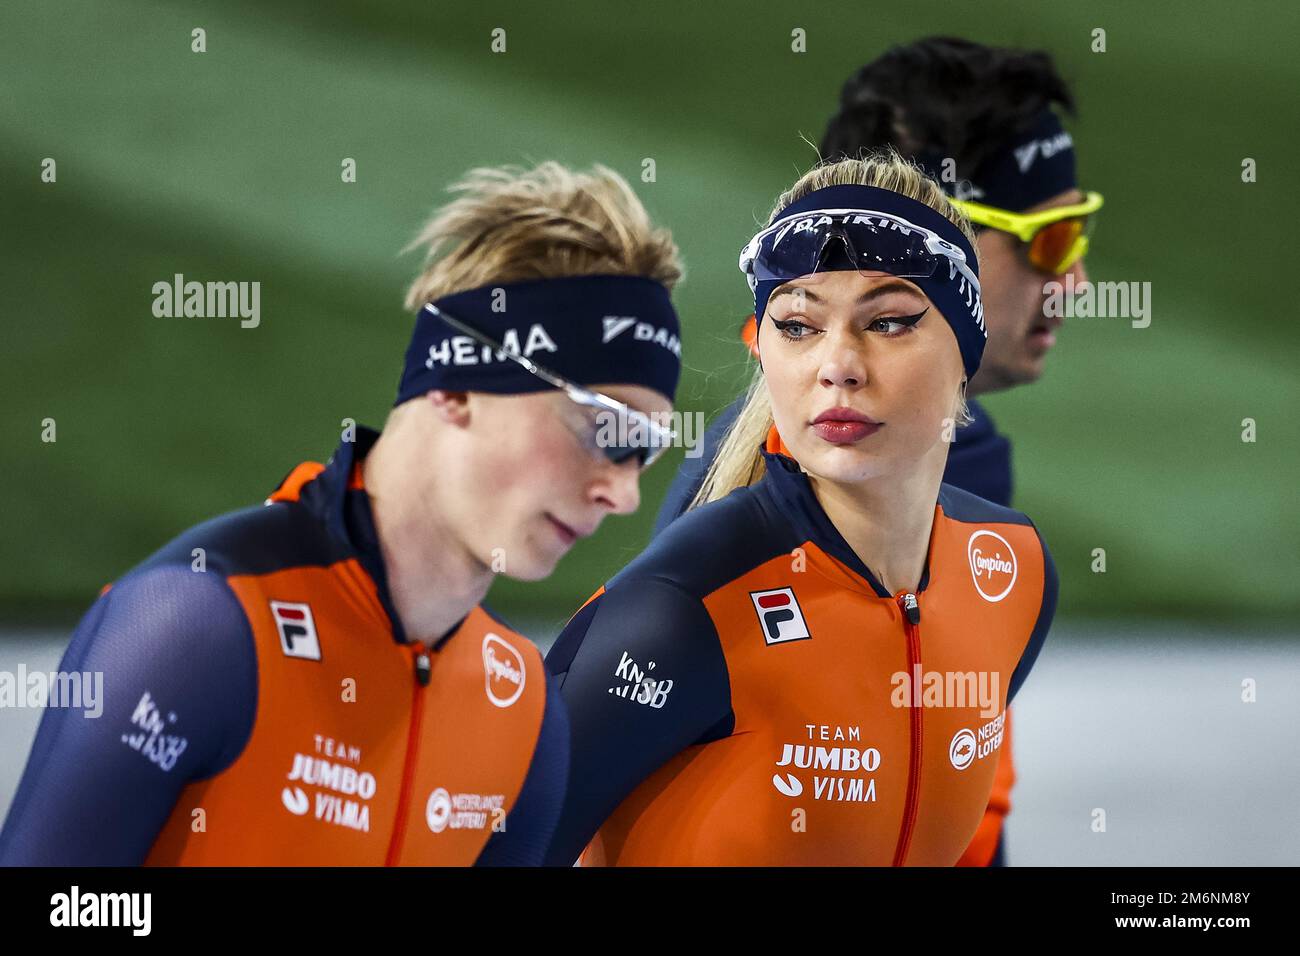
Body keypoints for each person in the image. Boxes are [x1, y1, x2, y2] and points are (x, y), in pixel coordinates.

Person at [0, 161, 685, 866]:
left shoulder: (525, 712)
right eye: (607, 429)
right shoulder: (202, 625)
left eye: (646, 451)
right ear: (457, 383)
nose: (623, 492)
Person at [651, 37, 1100, 865]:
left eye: (1078, 233)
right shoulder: (833, 473)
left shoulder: (959, 464)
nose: (1072, 278)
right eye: (1050, 238)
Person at [543, 152, 1058, 866]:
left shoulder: (1014, 571)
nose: (837, 364)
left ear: (965, 352)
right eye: (797, 326)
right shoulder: (681, 612)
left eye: (888, 322)